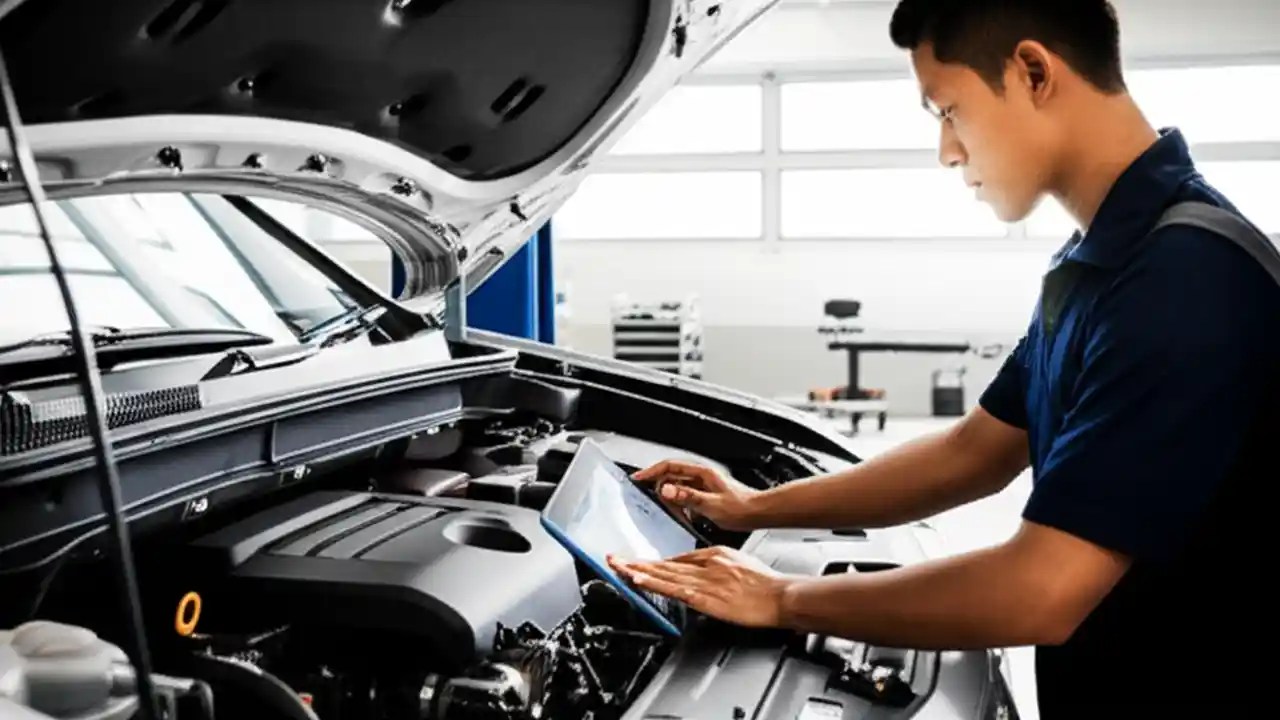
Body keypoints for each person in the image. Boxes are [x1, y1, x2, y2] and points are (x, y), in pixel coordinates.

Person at [607, 0, 1278, 716]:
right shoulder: (1102, 264)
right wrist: (755, 508)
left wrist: (782, 598)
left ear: (1031, 72)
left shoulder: (1184, 278)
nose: (948, 152)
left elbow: (1041, 592)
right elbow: (975, 452)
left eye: (946, 110)